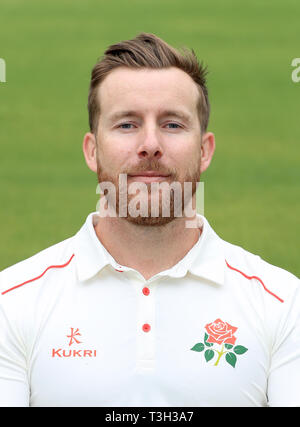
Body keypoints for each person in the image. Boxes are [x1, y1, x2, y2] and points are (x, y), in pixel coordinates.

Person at [0, 33, 299, 408]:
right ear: (92, 151)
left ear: (204, 151)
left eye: (172, 124)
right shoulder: (11, 303)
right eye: (127, 125)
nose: (150, 144)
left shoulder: (283, 304)